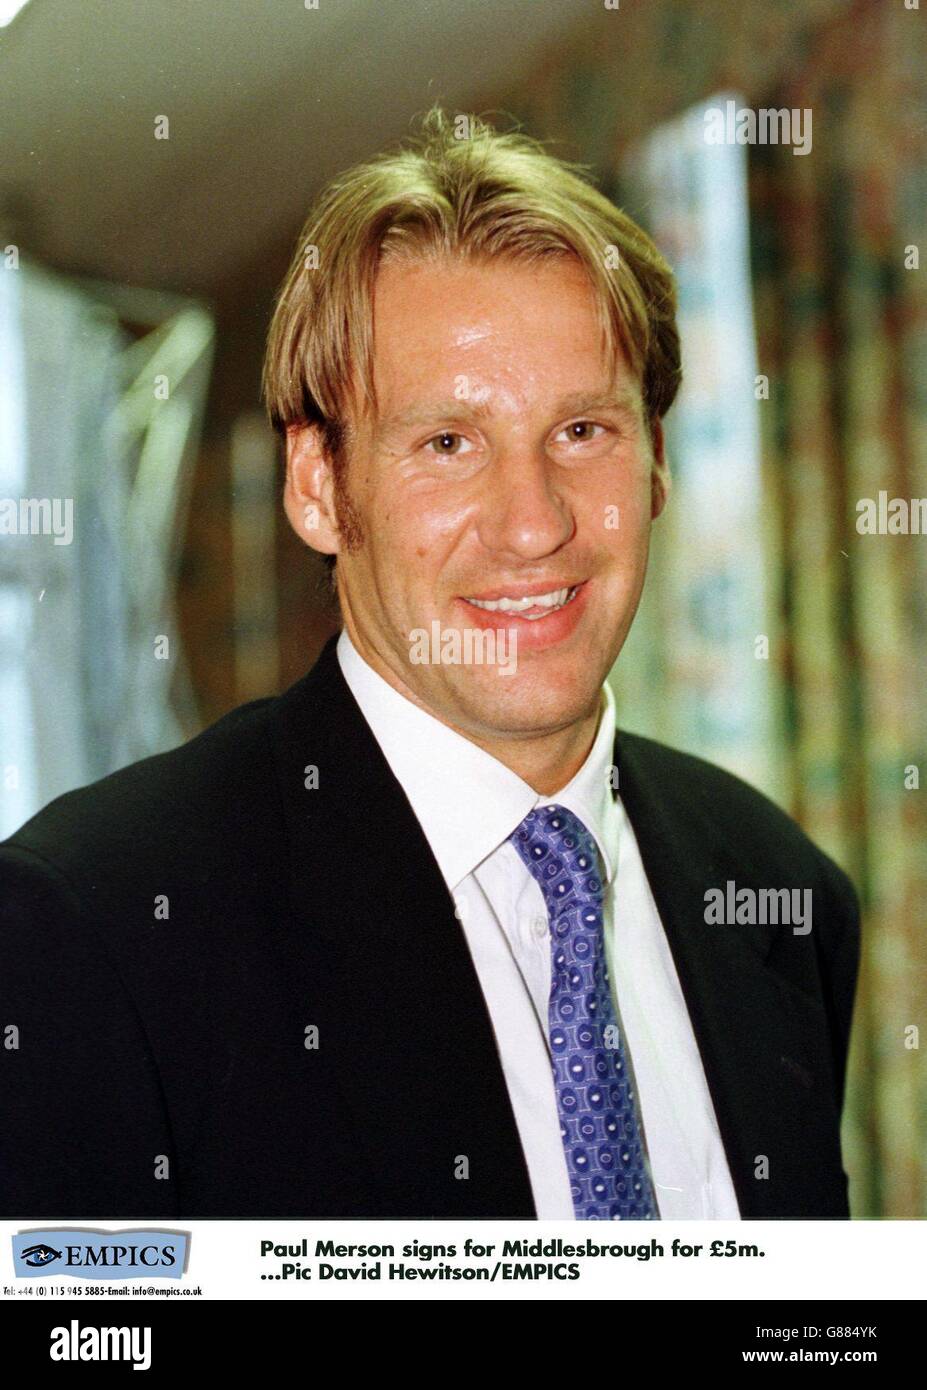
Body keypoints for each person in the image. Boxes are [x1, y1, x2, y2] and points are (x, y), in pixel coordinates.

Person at [0, 108, 859, 1220]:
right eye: (448, 442)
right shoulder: (98, 925)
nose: (533, 521)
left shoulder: (781, 896)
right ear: (319, 486)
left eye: (584, 430)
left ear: (655, 461)